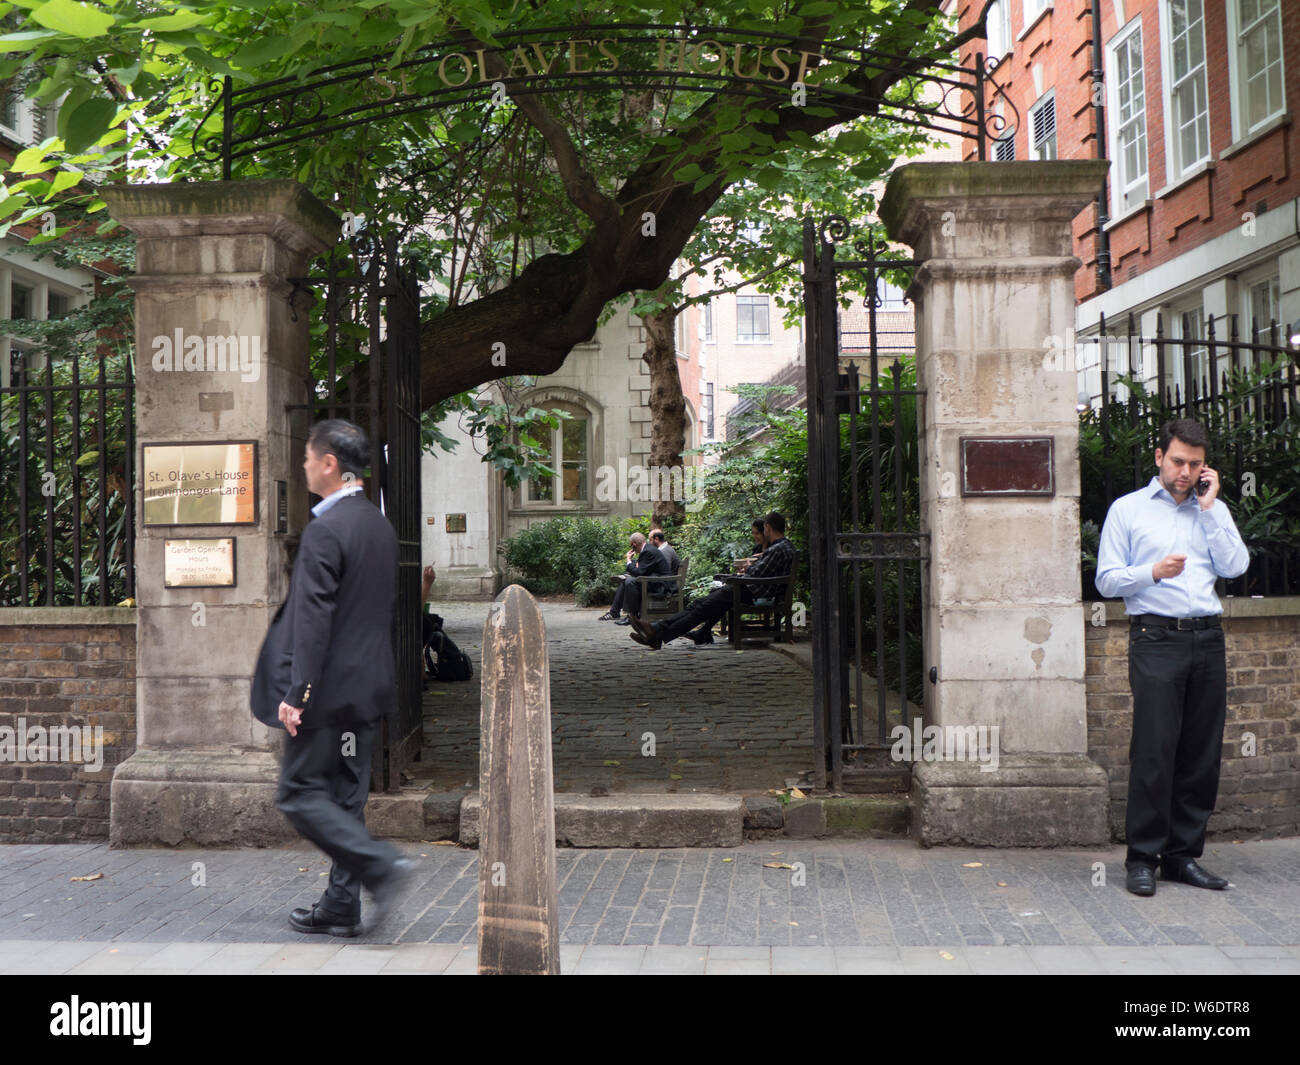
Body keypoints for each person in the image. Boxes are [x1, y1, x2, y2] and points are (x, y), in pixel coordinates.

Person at [251, 418, 414, 936]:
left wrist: (297, 693)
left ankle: (381, 867)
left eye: (306, 458)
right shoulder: (378, 525)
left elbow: (314, 619)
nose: (301, 466)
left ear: (329, 464)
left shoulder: (326, 530)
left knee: (298, 792)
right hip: (367, 689)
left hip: (327, 695)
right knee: (346, 798)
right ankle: (341, 905)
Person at [1095, 418, 1249, 898]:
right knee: (1156, 751)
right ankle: (1142, 858)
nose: (1186, 471)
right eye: (1178, 461)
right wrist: (1152, 573)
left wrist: (1211, 508)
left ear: (1206, 467)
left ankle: (1182, 858)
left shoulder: (1210, 510)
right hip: (1156, 638)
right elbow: (1106, 580)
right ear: (1159, 457)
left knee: (1201, 754)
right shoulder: (1128, 510)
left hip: (1207, 638)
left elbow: (1237, 567)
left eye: (1195, 464)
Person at [628, 511, 794, 649]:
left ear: (768, 528)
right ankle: (657, 631)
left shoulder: (778, 548)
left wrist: (749, 566)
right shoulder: (781, 546)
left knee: (702, 607)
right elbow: (761, 572)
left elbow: (757, 573)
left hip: (751, 591)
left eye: (763, 528)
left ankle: (657, 631)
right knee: (699, 604)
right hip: (749, 588)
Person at [598, 531, 671, 625]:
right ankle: (624, 614)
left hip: (660, 585)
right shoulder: (647, 549)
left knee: (629, 582)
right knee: (627, 581)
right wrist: (632, 564)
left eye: (631, 546)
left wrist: (628, 561)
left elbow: (639, 572)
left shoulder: (648, 551)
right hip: (655, 580)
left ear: (634, 544)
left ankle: (631, 616)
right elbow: (641, 569)